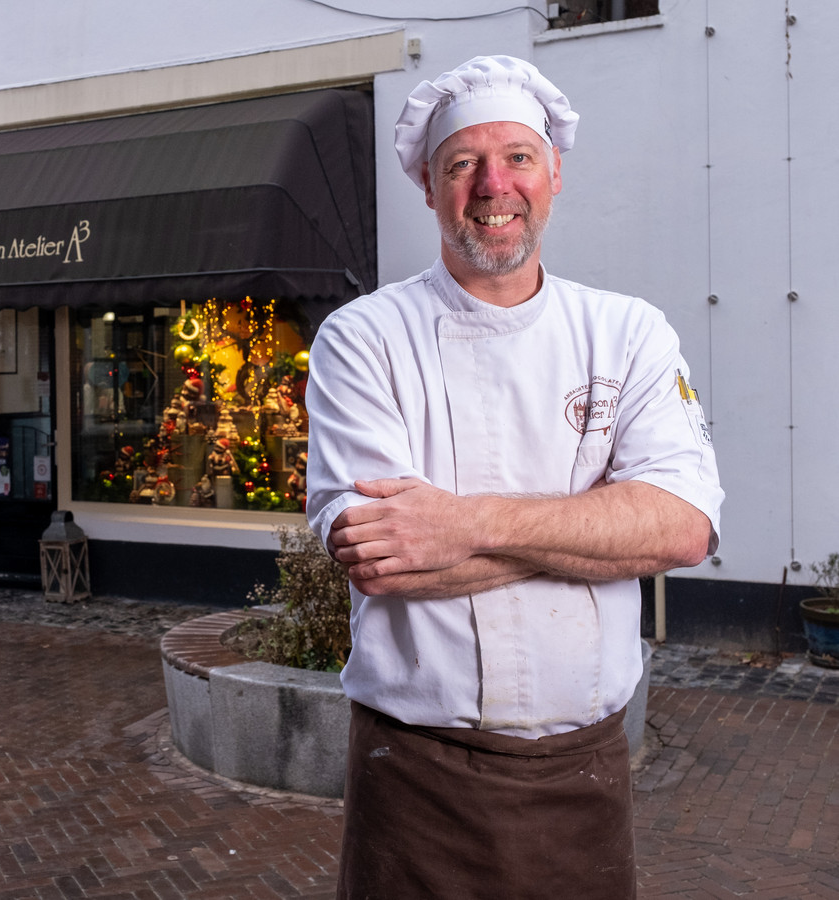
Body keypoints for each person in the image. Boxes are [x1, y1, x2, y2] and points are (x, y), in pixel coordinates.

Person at [303, 55, 724, 899]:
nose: (494, 185)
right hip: (414, 776)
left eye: (518, 158)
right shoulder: (363, 340)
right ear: (429, 186)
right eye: (464, 164)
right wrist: (600, 530)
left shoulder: (629, 333)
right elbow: (380, 557)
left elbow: (682, 526)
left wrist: (463, 525)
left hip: (586, 774)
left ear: (554, 172)